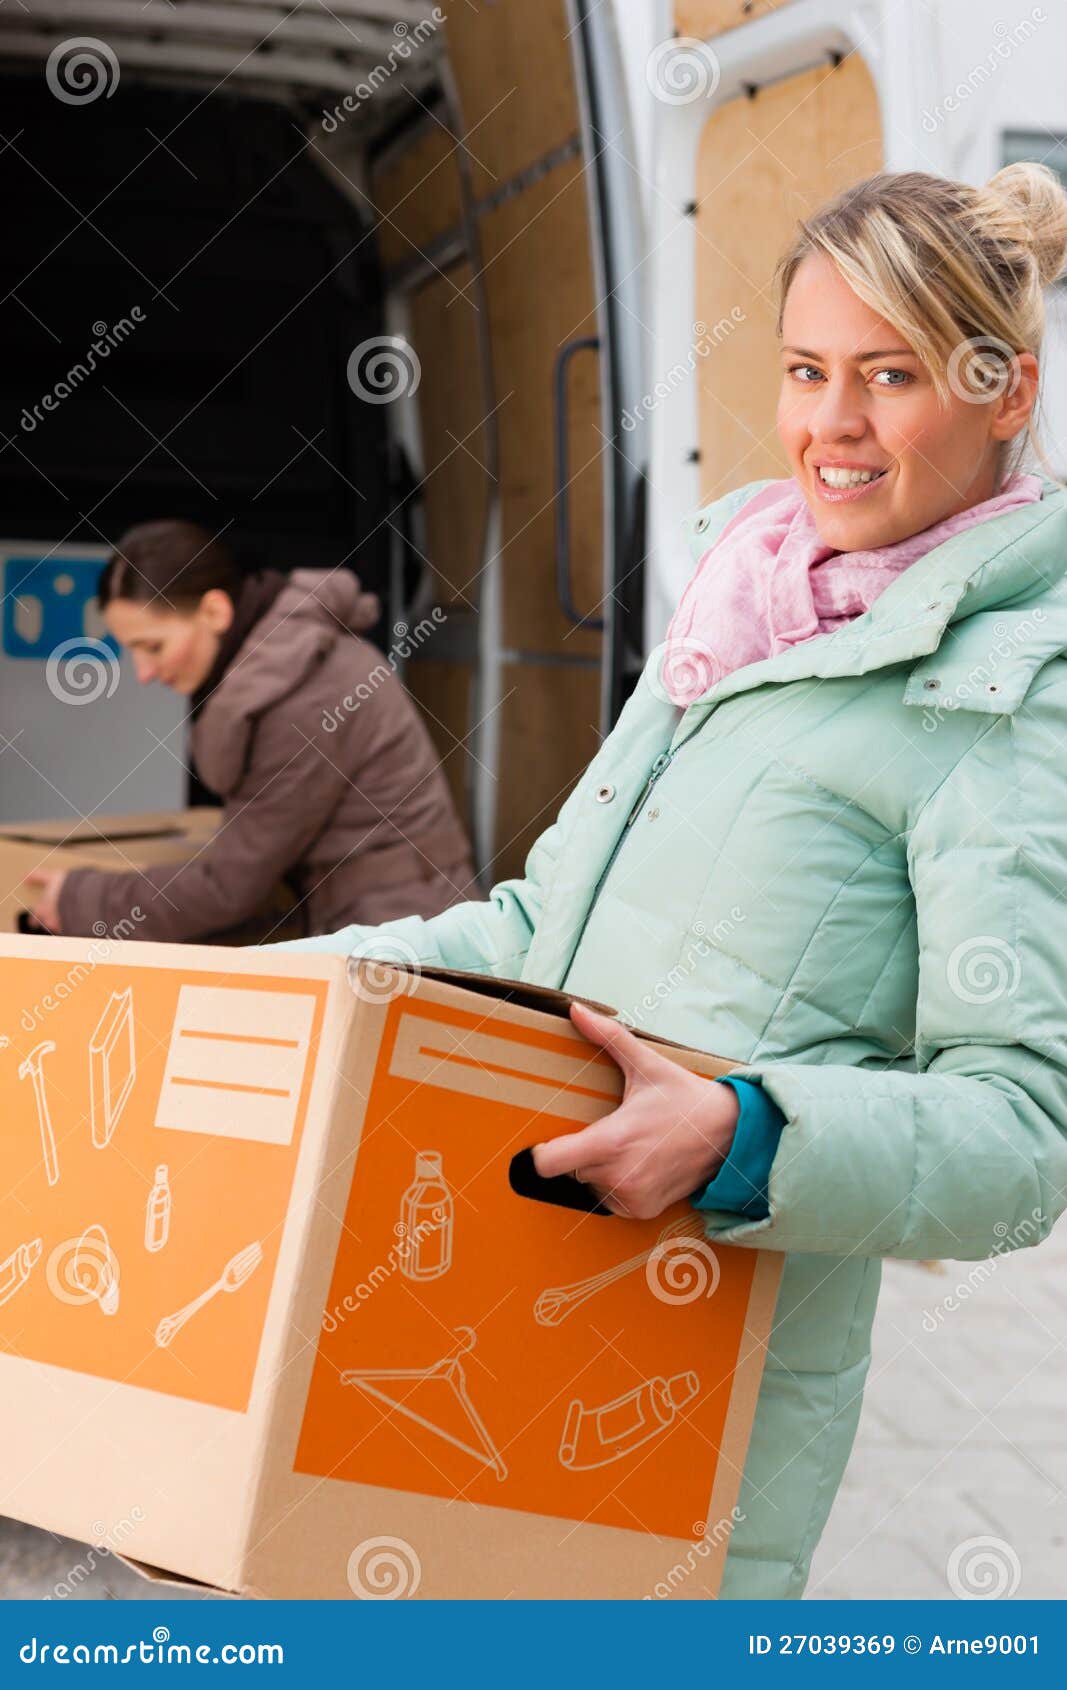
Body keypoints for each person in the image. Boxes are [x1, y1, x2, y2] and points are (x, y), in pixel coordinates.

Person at [267, 164, 1067, 1598]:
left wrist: (737, 1135)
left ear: (1004, 392)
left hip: (690, 1410)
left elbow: (1020, 1139)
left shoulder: (1005, 695)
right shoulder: (739, 602)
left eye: (888, 375)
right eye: (805, 369)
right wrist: (242, 990)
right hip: (514, 1305)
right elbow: (537, 926)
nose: (829, 425)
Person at [26, 523, 475, 942]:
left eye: (153, 646)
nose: (143, 673)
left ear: (214, 611)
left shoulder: (303, 698)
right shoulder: (294, 665)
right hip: (388, 921)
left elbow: (230, 886)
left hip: (402, 942)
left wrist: (82, 901)